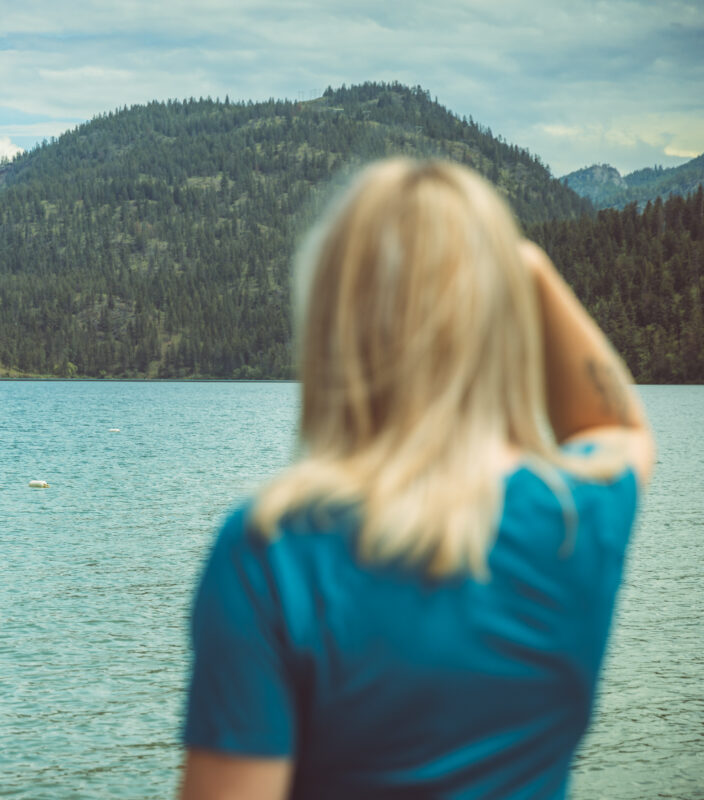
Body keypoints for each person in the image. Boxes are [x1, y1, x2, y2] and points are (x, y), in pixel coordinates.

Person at [180, 158, 655, 800]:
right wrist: (528, 268)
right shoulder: (574, 518)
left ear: (336, 319)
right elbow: (620, 425)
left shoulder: (272, 551)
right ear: (499, 321)